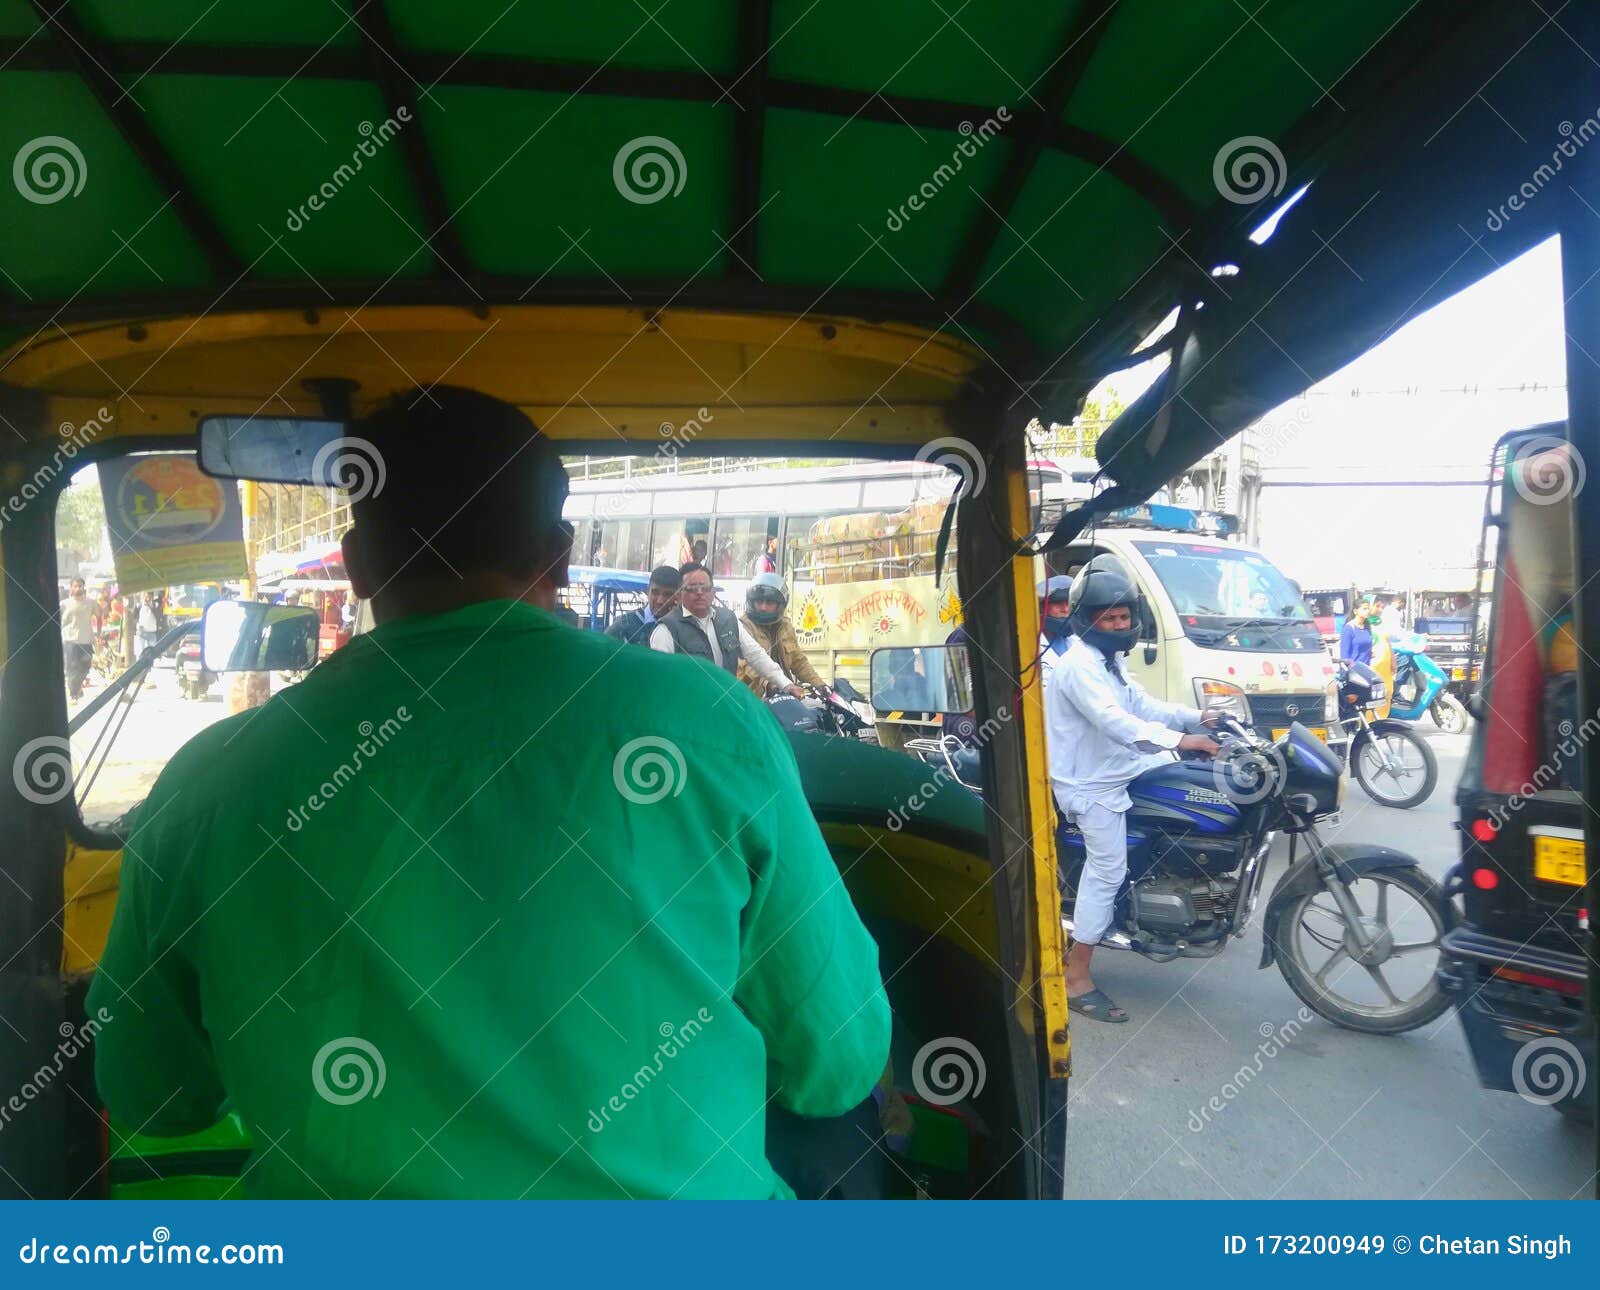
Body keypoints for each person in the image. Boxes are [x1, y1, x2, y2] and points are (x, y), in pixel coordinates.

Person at [89, 386, 889, 1199]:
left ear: (358, 566)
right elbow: (841, 1061)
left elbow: (151, 1092)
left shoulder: (213, 779)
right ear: (561, 554)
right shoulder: (710, 729)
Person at [1048, 556, 1220, 1024]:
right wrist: (1184, 740)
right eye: (1110, 618)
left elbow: (1140, 704)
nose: (1121, 624)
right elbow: (1115, 721)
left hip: (1121, 765)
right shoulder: (1077, 666)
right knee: (1107, 868)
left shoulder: (1108, 660)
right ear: (1088, 620)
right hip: (1090, 781)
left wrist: (1195, 718)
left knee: (1186, 784)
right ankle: (1076, 974)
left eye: (1125, 616)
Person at [650, 564, 806, 699]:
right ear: (679, 594)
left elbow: (756, 655)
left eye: (704, 588)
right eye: (691, 589)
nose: (699, 593)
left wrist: (786, 685)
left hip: (726, 708)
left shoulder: (728, 619)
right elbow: (660, 682)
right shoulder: (666, 630)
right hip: (690, 713)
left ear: (713, 592)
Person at [737, 572, 825, 698]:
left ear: (780, 604)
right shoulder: (742, 627)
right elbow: (747, 670)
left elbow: (799, 662)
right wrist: (769, 684)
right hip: (752, 699)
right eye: (759, 601)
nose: (763, 607)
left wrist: (821, 686)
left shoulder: (785, 626)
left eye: (769, 603)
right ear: (751, 602)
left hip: (786, 695)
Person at [605, 565, 681, 647]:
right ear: (647, 591)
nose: (660, 601)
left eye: (667, 595)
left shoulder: (684, 627)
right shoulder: (623, 625)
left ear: (678, 596)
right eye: (655, 592)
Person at [60, 577, 96, 702]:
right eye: (76, 586)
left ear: (83, 587)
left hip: (86, 639)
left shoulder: (91, 602)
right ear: (71, 588)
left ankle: (77, 687)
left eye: (80, 586)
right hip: (70, 640)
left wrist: (99, 633)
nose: (78, 588)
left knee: (86, 667)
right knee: (72, 667)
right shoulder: (64, 604)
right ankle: (73, 693)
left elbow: (99, 616)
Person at [1038, 575, 1073, 693]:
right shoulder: (1029, 646)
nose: (1065, 609)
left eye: (1068, 603)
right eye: (1058, 604)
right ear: (1042, 608)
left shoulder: (1080, 641)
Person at [1340, 598, 1376, 666]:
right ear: (1355, 611)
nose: (1367, 611)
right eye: (1364, 609)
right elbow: (1344, 654)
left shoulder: (1367, 627)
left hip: (1366, 668)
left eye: (1368, 609)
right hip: (1354, 669)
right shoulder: (1349, 628)